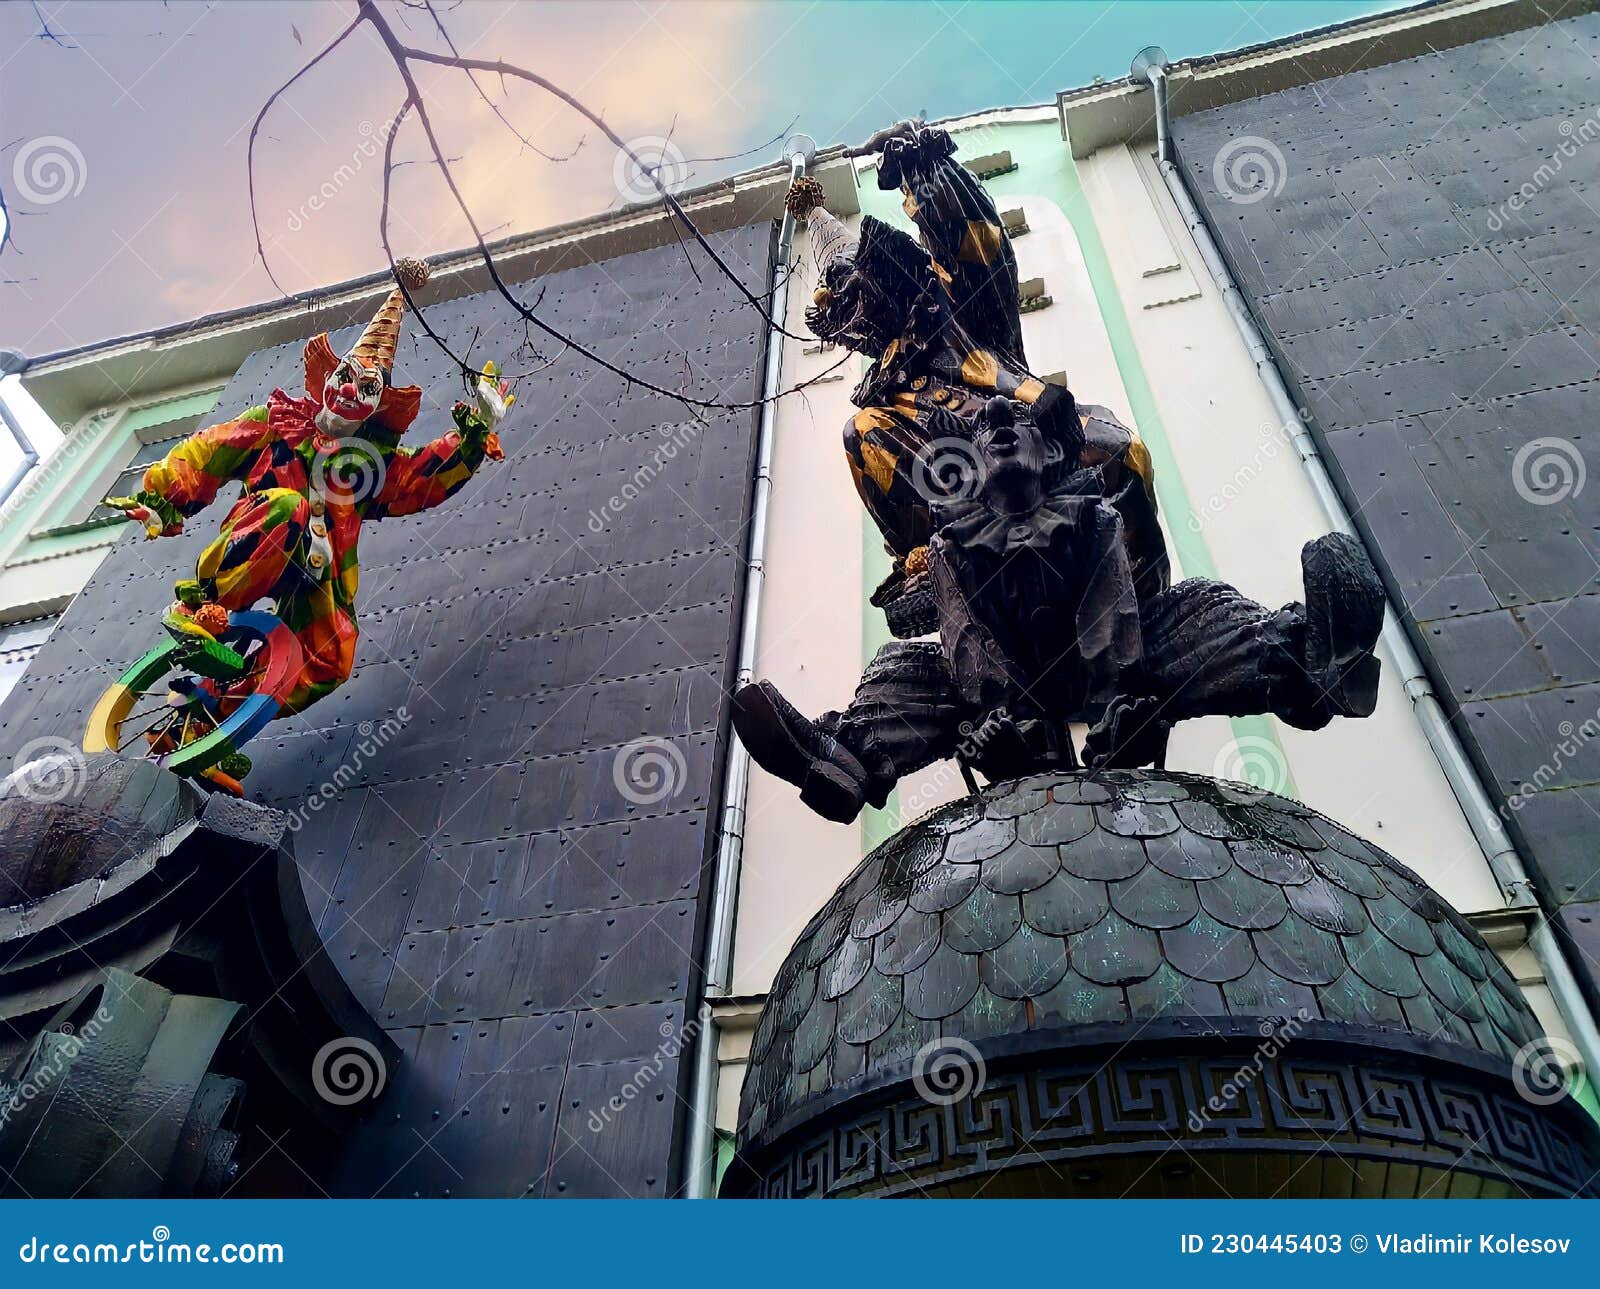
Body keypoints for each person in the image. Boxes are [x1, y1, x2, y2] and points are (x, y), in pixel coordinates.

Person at [732, 397, 1386, 823]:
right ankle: (844, 757)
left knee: (1199, 604)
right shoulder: (952, 544)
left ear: (1048, 453)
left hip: (1107, 670)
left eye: (1014, 429)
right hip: (994, 690)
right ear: (977, 464)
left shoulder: (1090, 514)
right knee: (900, 666)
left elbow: (1114, 605)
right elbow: (962, 638)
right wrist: (1003, 716)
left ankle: (1310, 659)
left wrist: (1117, 700)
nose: (999, 434)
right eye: (988, 435)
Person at [789, 119, 1167, 634]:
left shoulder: (955, 315)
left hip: (1046, 457)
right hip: (976, 523)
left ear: (885, 275)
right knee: (860, 436)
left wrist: (923, 170)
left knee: (1122, 450)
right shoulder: (877, 418)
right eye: (841, 299)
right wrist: (922, 563)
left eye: (854, 283)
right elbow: (910, 526)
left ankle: (1146, 609)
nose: (852, 306)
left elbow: (979, 247)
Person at [107, 258, 512, 716]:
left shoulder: (371, 467)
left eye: (366, 386)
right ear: (328, 380)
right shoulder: (277, 424)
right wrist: (163, 498)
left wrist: (477, 428)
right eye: (345, 377)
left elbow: (421, 477)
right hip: (262, 535)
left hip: (318, 568)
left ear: (377, 405)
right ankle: (200, 606)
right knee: (290, 509)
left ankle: (213, 717)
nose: (351, 390)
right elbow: (210, 449)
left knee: (331, 653)